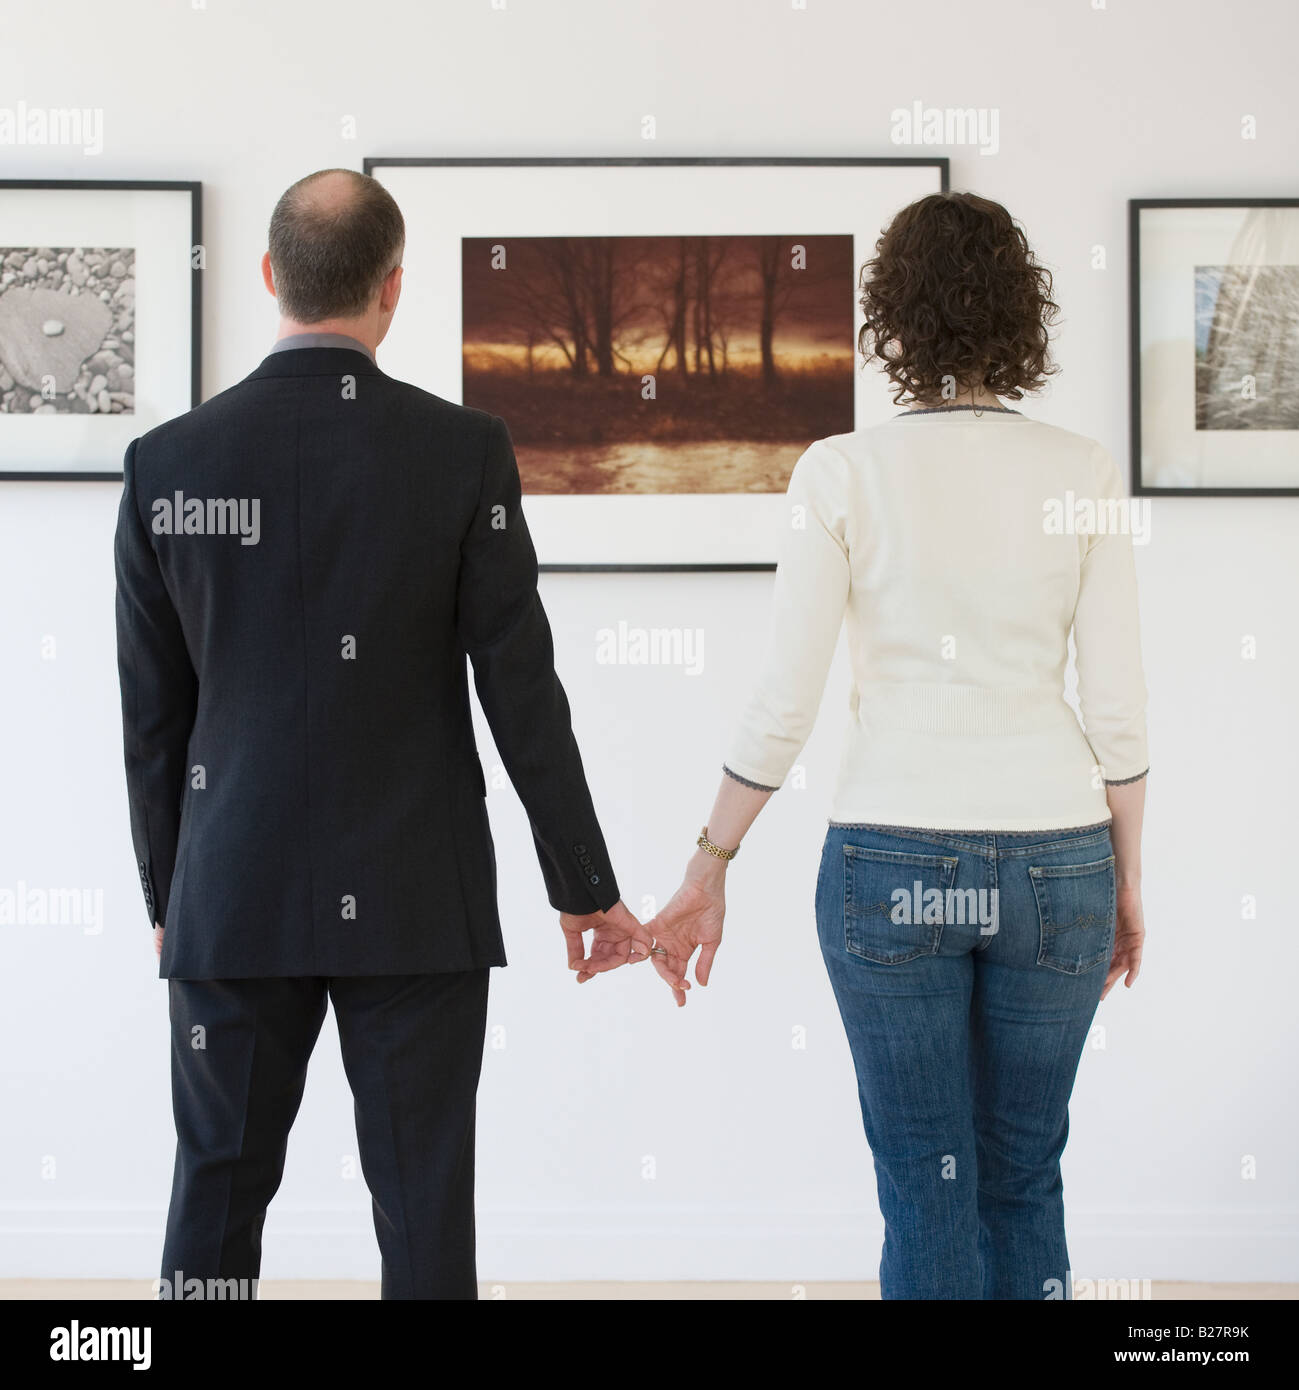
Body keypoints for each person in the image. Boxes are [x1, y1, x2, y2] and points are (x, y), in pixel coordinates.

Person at [113, 168, 649, 1300]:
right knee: (422, 1209)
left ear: (269, 278)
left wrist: (170, 898)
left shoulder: (169, 465)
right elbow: (524, 692)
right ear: (393, 289)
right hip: (417, 898)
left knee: (215, 1191)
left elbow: (154, 721)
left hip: (234, 892)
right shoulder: (465, 453)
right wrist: (584, 885)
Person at [648, 191, 1149, 1301]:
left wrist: (708, 863)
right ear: (1021, 314)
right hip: (1059, 858)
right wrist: (1127, 880)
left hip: (891, 862)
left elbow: (785, 702)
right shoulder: (1083, 470)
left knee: (927, 1179)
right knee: (1025, 1173)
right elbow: (1117, 712)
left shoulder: (841, 471)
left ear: (892, 318)